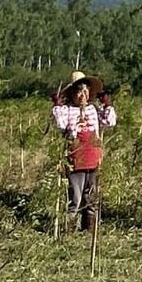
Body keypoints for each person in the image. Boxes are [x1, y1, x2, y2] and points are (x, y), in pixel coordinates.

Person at [50, 71, 117, 232]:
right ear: (73, 93)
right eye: (79, 91)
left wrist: (107, 105)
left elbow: (109, 122)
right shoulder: (67, 110)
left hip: (93, 157)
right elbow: (60, 125)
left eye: (86, 91)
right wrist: (57, 106)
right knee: (75, 197)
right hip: (75, 159)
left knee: (91, 196)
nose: (83, 95)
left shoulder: (93, 109)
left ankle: (89, 229)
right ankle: (69, 229)